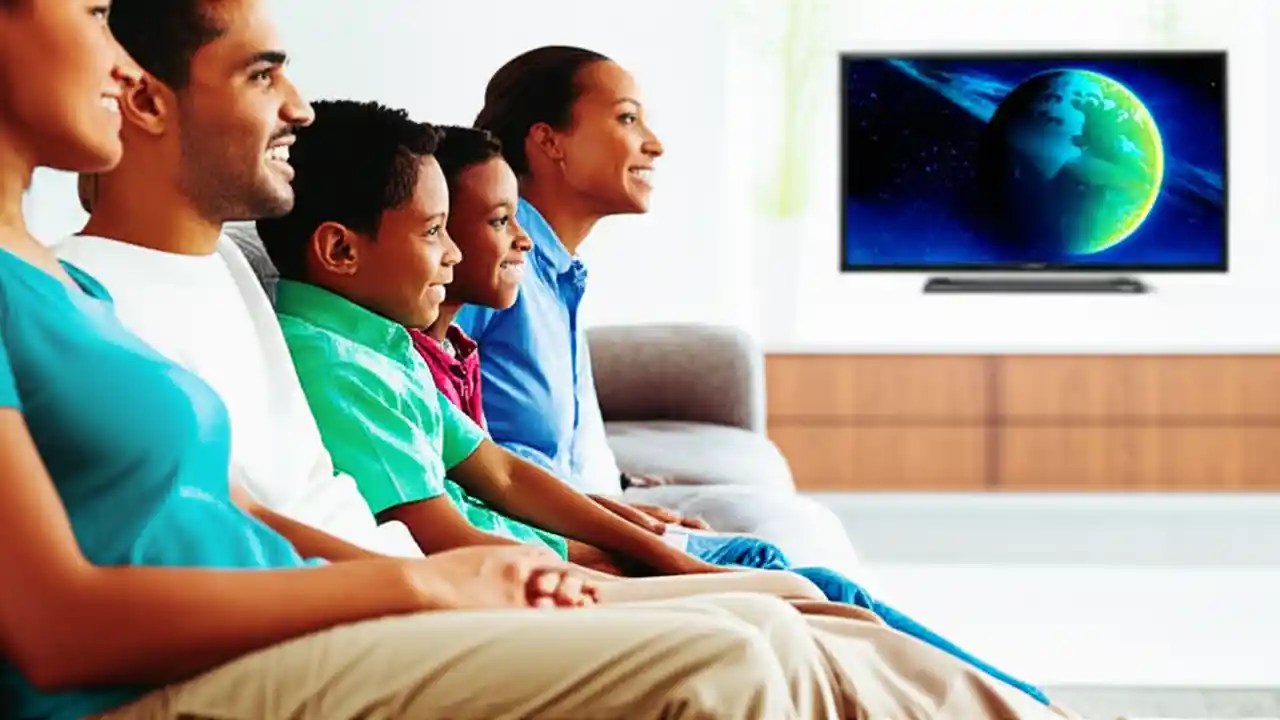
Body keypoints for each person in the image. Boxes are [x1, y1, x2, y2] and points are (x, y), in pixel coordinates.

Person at [1, 2, 946, 719]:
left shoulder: (176, 280)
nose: (299, 107)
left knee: (783, 615)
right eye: (91, 15)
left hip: (338, 599)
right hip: (242, 650)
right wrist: (424, 582)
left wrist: (457, 577)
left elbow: (245, 500)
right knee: (740, 649)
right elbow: (62, 620)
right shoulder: (100, 291)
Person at [420, 124, 1052, 705]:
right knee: (813, 595)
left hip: (563, 538)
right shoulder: (424, 345)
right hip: (550, 559)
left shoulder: (469, 336)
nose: (654, 142)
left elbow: (501, 470)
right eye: (627, 117)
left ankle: (1015, 702)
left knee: (812, 592)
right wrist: (623, 549)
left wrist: (629, 512)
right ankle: (1021, 704)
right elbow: (482, 498)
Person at [458, 45, 864, 577]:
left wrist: (619, 501)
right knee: (800, 569)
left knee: (813, 554)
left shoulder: (556, 272)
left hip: (589, 515)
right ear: (549, 141)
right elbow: (447, 441)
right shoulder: (489, 266)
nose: (655, 143)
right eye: (627, 118)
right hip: (553, 539)